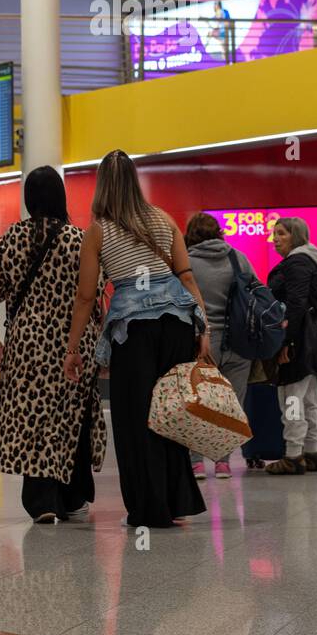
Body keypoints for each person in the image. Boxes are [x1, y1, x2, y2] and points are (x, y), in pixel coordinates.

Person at [64, 149, 211, 529]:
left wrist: (73, 348)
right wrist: (203, 329)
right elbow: (186, 276)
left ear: (102, 186)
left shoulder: (99, 231)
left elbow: (85, 296)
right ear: (134, 180)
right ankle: (177, 501)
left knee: (136, 418)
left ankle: (149, 508)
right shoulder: (163, 219)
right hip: (177, 321)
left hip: (135, 328)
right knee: (172, 411)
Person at [0, 166, 106, 525]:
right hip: (73, 342)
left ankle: (42, 502)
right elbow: (95, 293)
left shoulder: (15, 237)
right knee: (69, 417)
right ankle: (72, 494)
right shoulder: (79, 240)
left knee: (31, 420)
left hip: (27, 344)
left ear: (29, 199)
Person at [183, 211, 254, 480]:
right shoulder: (238, 258)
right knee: (231, 405)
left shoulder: (186, 263)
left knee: (197, 402)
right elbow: (255, 292)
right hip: (238, 342)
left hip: (199, 342)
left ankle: (196, 462)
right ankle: (223, 463)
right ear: (219, 233)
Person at [265, 216, 317, 477]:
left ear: (296, 236)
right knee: (309, 398)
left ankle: (293, 455)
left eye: (281, 234)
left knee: (291, 398)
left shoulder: (297, 263)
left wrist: (287, 343)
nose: (275, 239)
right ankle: (312, 451)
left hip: (299, 339)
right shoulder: (313, 260)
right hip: (314, 338)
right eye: (274, 234)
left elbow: (296, 304)